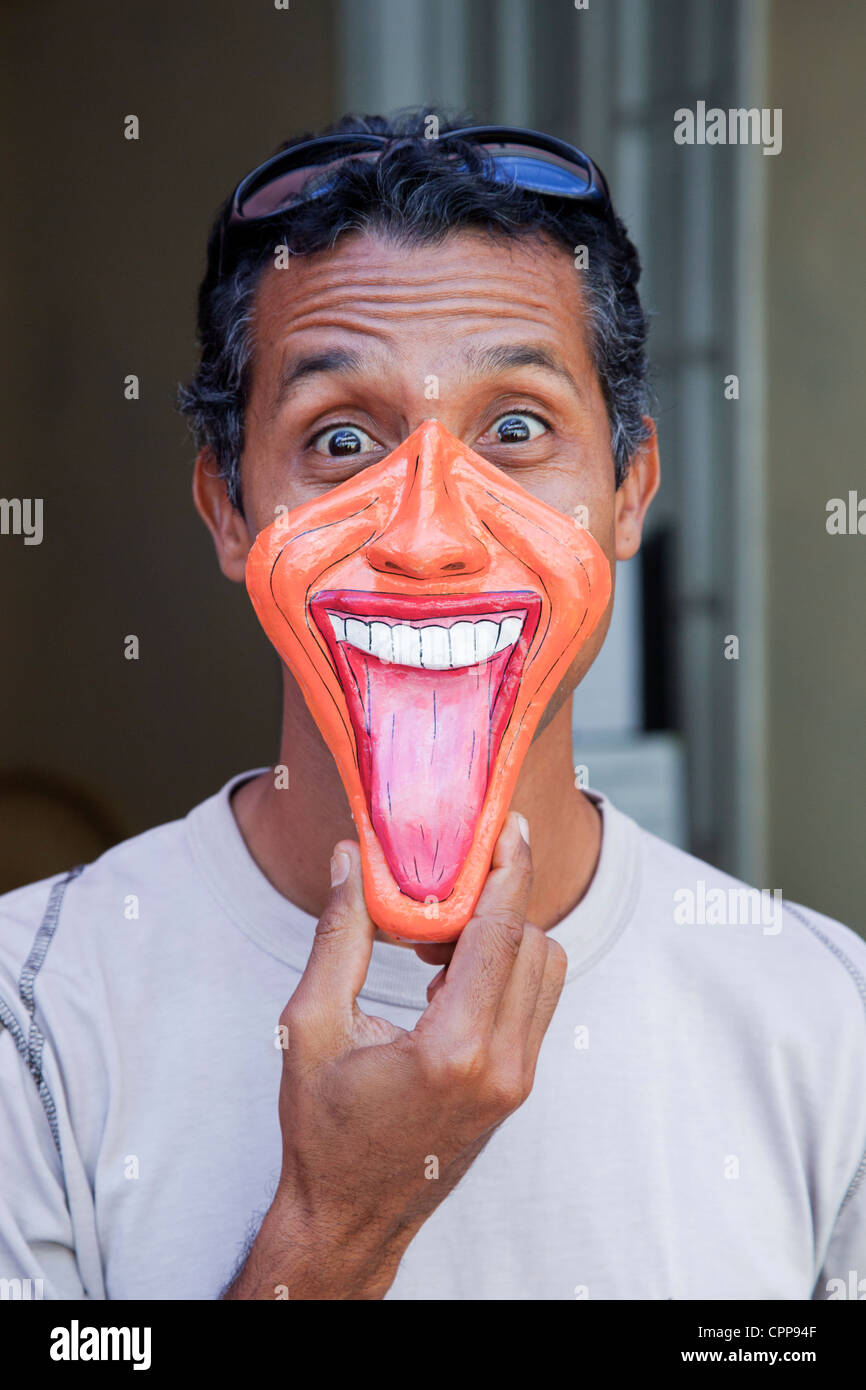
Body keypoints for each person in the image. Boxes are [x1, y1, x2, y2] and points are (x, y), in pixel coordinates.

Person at [1, 109, 863, 1302]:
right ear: (230, 514)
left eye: (515, 430)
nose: (426, 535)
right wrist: (336, 1226)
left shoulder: (830, 1025)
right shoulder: (29, 1022)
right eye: (342, 439)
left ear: (627, 491)